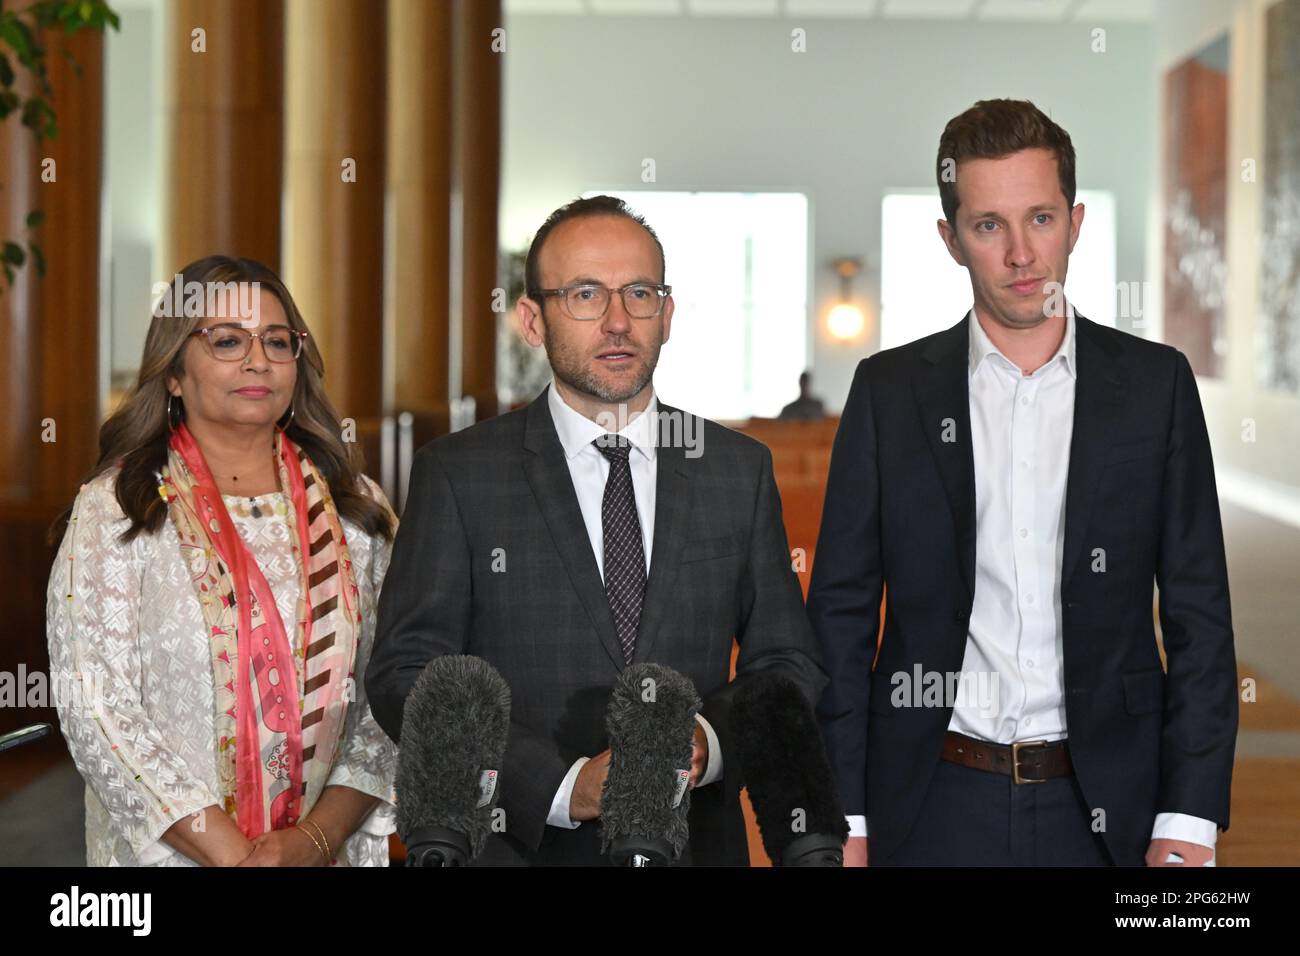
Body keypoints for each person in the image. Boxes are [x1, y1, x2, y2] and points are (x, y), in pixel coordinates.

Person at [809, 99, 1237, 867]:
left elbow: (1200, 612)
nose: (1019, 254)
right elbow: (839, 617)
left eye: (1039, 219)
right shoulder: (889, 392)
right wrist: (843, 813)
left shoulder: (1155, 387)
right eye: (988, 225)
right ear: (951, 239)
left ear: (1074, 223)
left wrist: (1192, 814)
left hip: (1114, 806)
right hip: (930, 800)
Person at [366, 195, 826, 866]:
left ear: (666, 314)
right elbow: (406, 674)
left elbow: (789, 664)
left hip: (694, 844)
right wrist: (558, 785)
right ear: (533, 318)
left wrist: (703, 740)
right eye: (585, 294)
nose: (617, 322)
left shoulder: (736, 470)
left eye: (638, 293)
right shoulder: (460, 475)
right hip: (520, 845)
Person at [46, 255, 399, 866]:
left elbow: (392, 690)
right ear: (174, 372)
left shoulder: (355, 508)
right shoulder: (119, 507)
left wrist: (313, 842)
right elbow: (97, 705)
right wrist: (237, 858)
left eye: (277, 341)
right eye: (228, 340)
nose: (257, 359)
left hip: (323, 852)